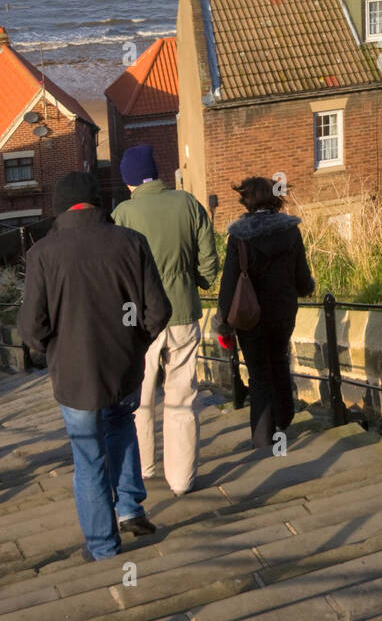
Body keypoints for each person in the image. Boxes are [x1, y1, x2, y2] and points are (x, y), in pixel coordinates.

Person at [18, 171, 171, 561]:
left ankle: (103, 547)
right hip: (123, 366)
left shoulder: (42, 254)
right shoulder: (131, 242)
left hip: (74, 373)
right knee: (122, 428)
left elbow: (32, 328)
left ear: (59, 209)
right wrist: (136, 342)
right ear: (97, 202)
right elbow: (158, 310)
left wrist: (50, 350)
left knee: (88, 456)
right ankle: (131, 510)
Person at [112, 144, 218, 495]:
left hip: (141, 321)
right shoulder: (187, 203)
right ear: (156, 174)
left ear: (130, 181)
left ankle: (145, 467)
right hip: (183, 312)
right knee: (182, 399)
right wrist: (199, 281)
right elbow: (208, 260)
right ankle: (182, 479)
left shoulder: (124, 213)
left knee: (140, 399)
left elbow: (117, 273)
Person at [214, 177, 315, 451]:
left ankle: (262, 436)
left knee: (259, 372)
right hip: (283, 313)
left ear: (247, 201)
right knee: (279, 360)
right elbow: (302, 275)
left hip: (250, 317)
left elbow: (229, 283)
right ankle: (284, 416)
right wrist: (307, 289)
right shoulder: (291, 232)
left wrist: (223, 323)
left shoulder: (240, 237)